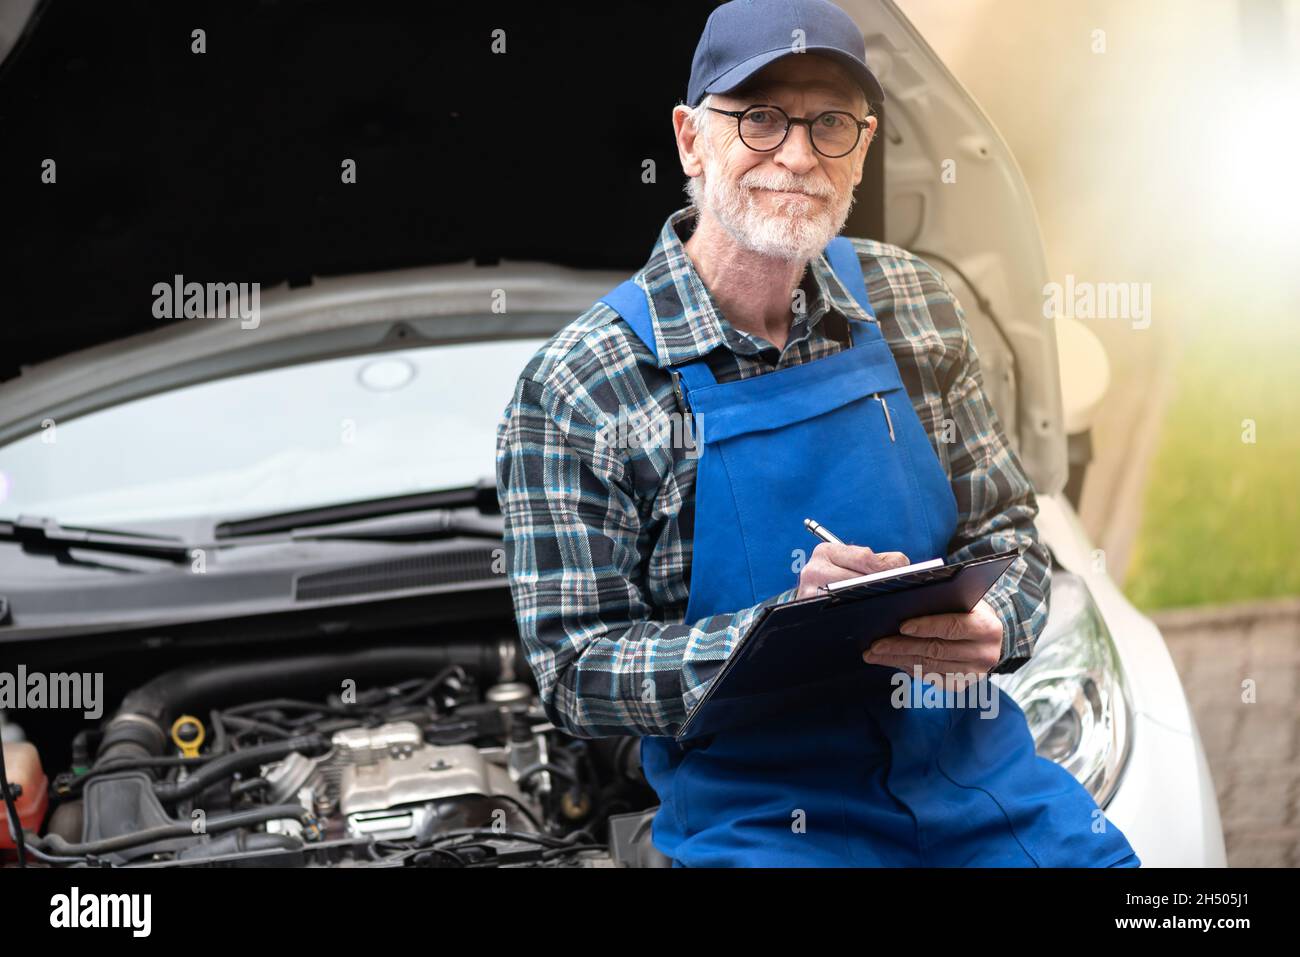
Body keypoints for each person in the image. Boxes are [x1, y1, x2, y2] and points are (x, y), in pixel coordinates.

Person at [495, 0, 1139, 867]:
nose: (798, 156)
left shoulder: (916, 304)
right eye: (759, 118)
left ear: (863, 148)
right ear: (691, 139)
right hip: (765, 826)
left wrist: (999, 623)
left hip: (984, 788)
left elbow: (1012, 538)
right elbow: (576, 671)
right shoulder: (579, 389)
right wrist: (779, 630)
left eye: (830, 122)